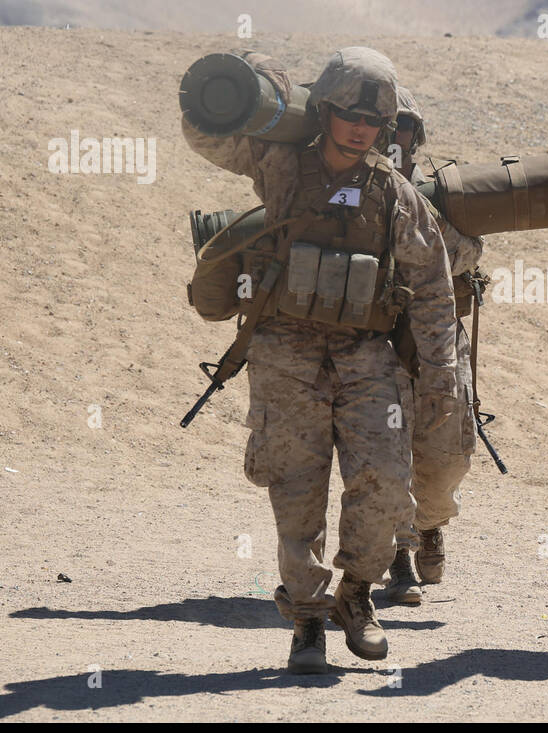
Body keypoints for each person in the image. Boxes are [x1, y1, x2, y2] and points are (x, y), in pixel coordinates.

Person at [181, 48, 458, 673]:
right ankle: (307, 619)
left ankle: (357, 593)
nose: (361, 127)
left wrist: (442, 377)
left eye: (373, 119)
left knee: (386, 484)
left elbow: (435, 290)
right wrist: (253, 80)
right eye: (349, 113)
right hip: (286, 353)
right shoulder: (278, 164)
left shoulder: (395, 193)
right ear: (326, 110)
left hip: (368, 358)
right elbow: (202, 131)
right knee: (296, 493)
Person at [382, 86, 484, 604]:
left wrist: (426, 228)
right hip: (374, 343)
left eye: (403, 123)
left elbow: (470, 252)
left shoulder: (438, 192)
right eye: (384, 121)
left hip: (438, 339)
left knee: (447, 458)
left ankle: (430, 523)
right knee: (382, 452)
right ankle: (398, 552)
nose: (394, 132)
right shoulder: (346, 189)